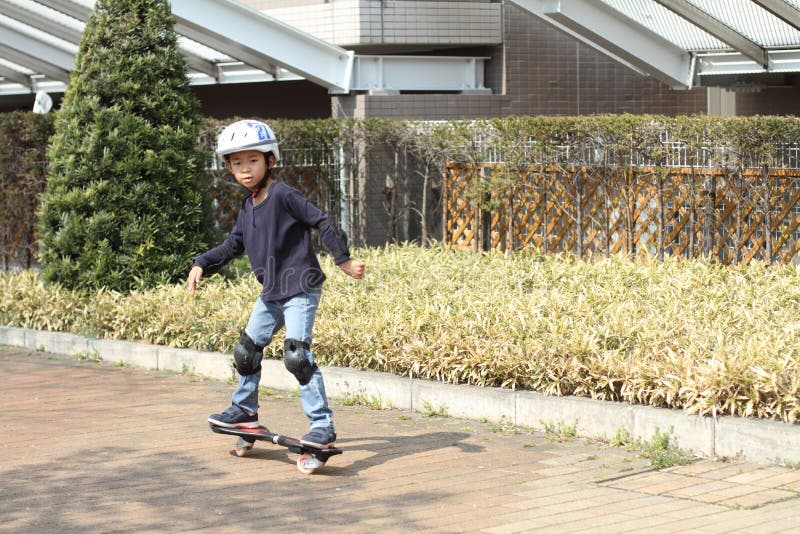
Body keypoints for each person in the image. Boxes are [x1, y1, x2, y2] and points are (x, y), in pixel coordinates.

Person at [187, 119, 365, 448]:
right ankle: (244, 412)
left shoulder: (283, 195)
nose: (245, 169)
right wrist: (201, 264)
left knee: (297, 356)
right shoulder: (247, 207)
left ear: (270, 160)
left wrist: (343, 259)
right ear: (228, 167)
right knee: (246, 351)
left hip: (300, 286)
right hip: (271, 292)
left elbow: (321, 221)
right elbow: (232, 247)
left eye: (252, 160)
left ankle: (322, 425)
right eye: (237, 163)